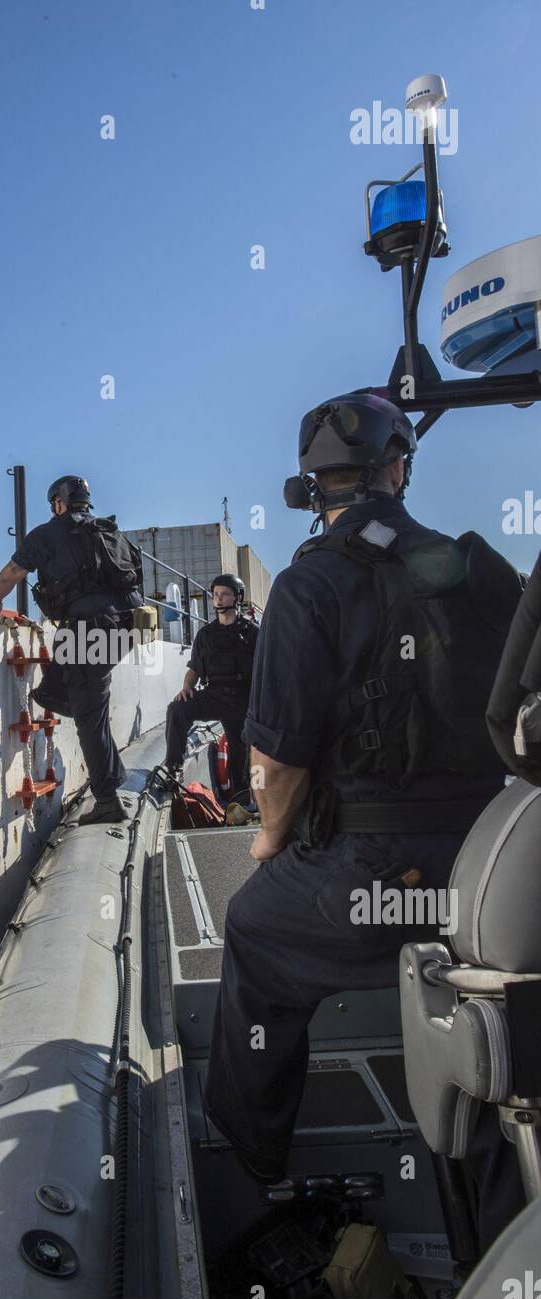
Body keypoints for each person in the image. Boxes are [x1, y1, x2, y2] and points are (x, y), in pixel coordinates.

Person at [204, 393, 525, 1251]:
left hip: (373, 877)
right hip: (493, 866)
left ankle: (251, 1153)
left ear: (312, 486)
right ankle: (498, 1229)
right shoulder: (476, 570)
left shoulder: (309, 584)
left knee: (251, 930)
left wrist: (270, 841)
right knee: (492, 1018)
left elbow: (278, 765)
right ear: (399, 469)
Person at [0, 475, 143, 825]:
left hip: (90, 631)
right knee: (88, 699)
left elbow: (11, 574)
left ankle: (106, 801)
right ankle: (112, 776)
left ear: (58, 503)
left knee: (87, 715)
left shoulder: (48, 533)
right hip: (126, 629)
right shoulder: (109, 532)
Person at [164, 575, 258, 797]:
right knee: (177, 709)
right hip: (214, 695)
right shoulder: (205, 635)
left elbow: (266, 671)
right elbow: (195, 669)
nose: (219, 599)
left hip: (243, 700)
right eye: (216, 594)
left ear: (237, 597)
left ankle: (242, 800)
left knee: (241, 753)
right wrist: (187, 687)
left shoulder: (253, 633)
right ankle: (174, 767)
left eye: (224, 594)